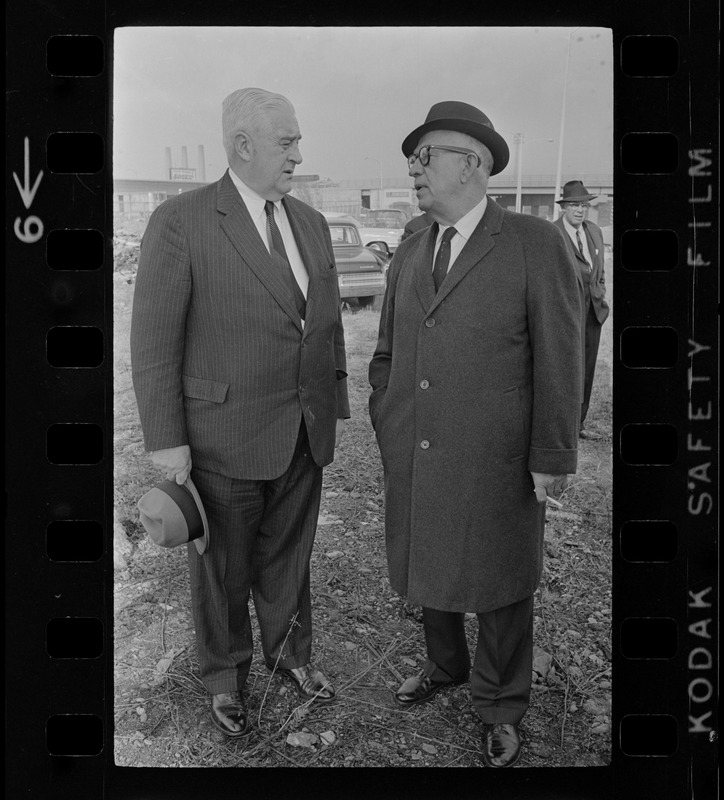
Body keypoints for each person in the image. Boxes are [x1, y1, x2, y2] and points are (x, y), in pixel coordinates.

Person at [368, 101, 582, 767]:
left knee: (500, 580)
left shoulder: (532, 242)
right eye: (414, 156)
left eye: (428, 155)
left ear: (476, 164)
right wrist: (387, 410)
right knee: (427, 562)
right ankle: (446, 666)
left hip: (497, 457)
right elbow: (386, 351)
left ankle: (498, 703)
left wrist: (551, 454)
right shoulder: (410, 244)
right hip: (416, 447)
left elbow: (561, 357)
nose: (414, 167)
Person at [130, 88, 350, 738]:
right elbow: (153, 342)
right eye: (287, 142)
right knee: (220, 569)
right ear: (243, 146)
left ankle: (291, 656)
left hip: (304, 434)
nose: (299, 155)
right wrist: (167, 441)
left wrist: (330, 406)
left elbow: (326, 326)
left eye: (298, 141)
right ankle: (224, 677)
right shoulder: (182, 221)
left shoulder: (308, 222)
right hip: (221, 437)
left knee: (290, 558)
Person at [553, 180, 610, 439]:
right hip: (566, 314)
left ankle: (579, 424)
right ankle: (562, 425)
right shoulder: (551, 233)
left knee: (587, 368)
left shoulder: (594, 231)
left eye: (584, 205)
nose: (580, 210)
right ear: (564, 207)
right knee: (565, 369)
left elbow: (599, 271)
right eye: (574, 205)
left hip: (592, 313)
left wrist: (600, 293)